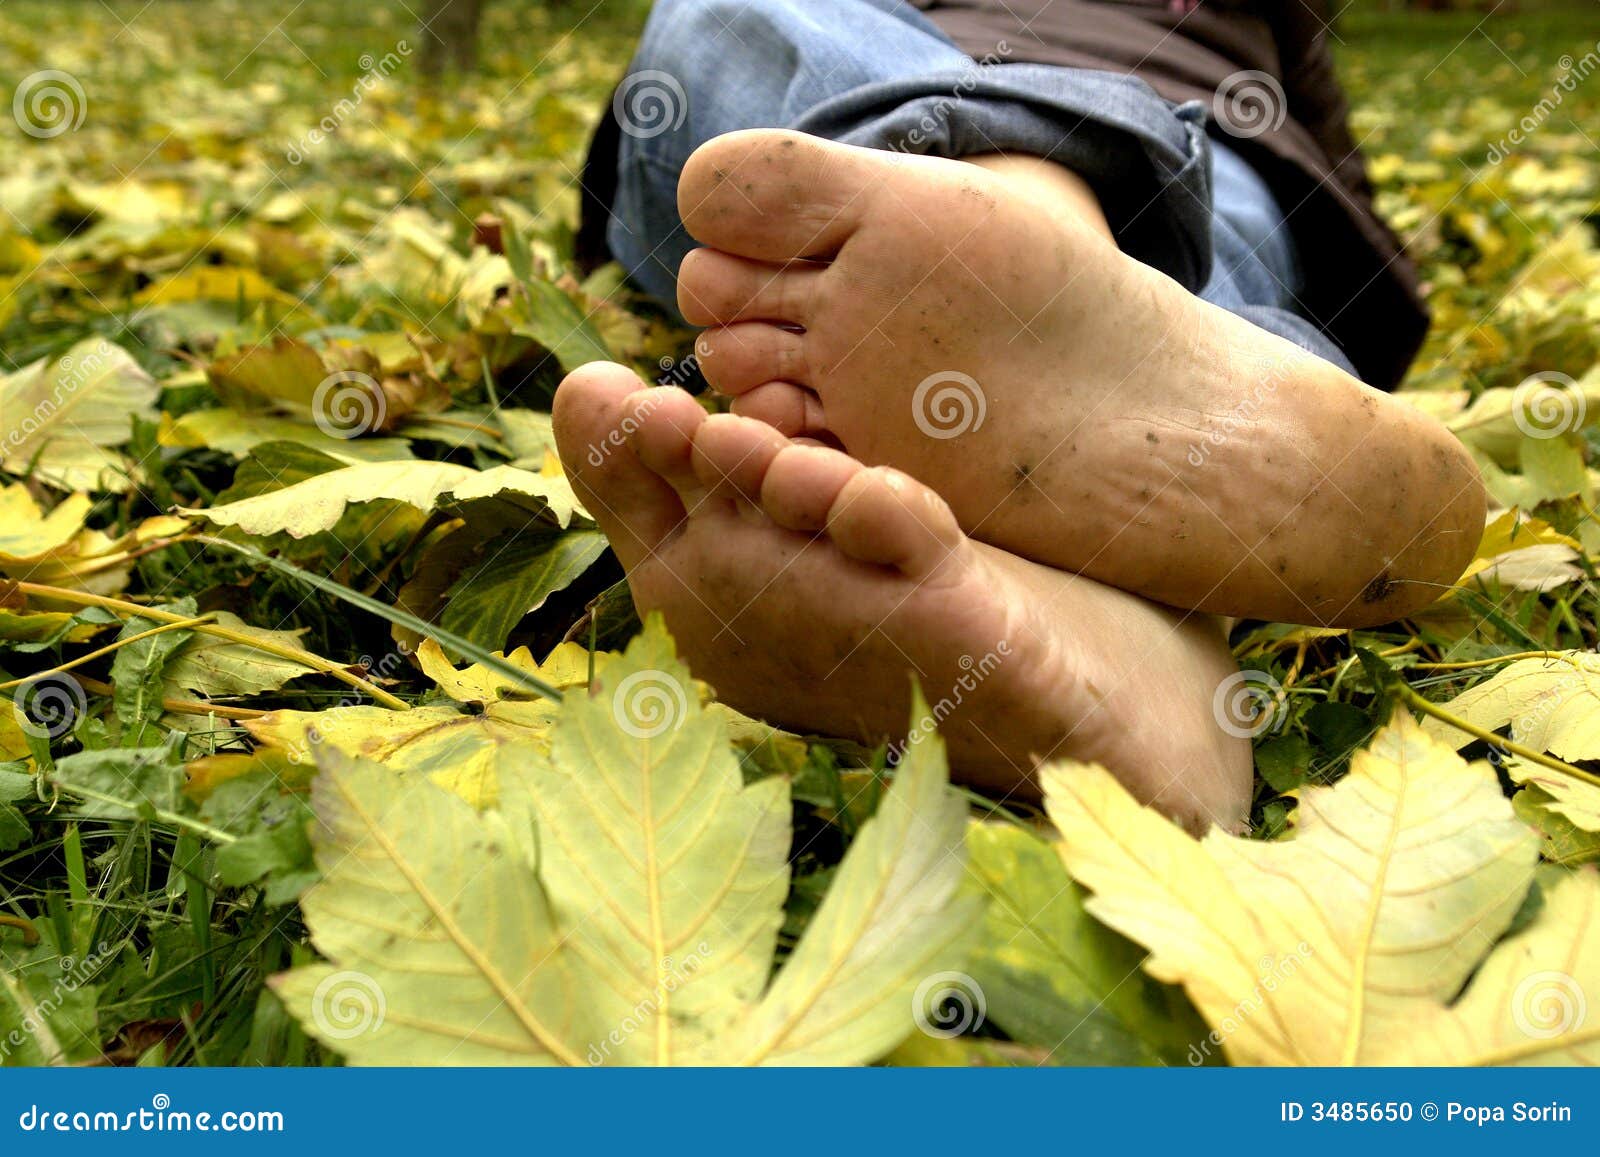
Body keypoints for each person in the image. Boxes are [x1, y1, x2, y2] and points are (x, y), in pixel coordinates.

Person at [550, 0, 1486, 833]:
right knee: (768, 38)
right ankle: (1150, 642)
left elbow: (1330, 175)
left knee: (731, 20)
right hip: (922, 134)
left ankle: (1146, 657)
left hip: (1178, 159)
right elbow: (1344, 194)